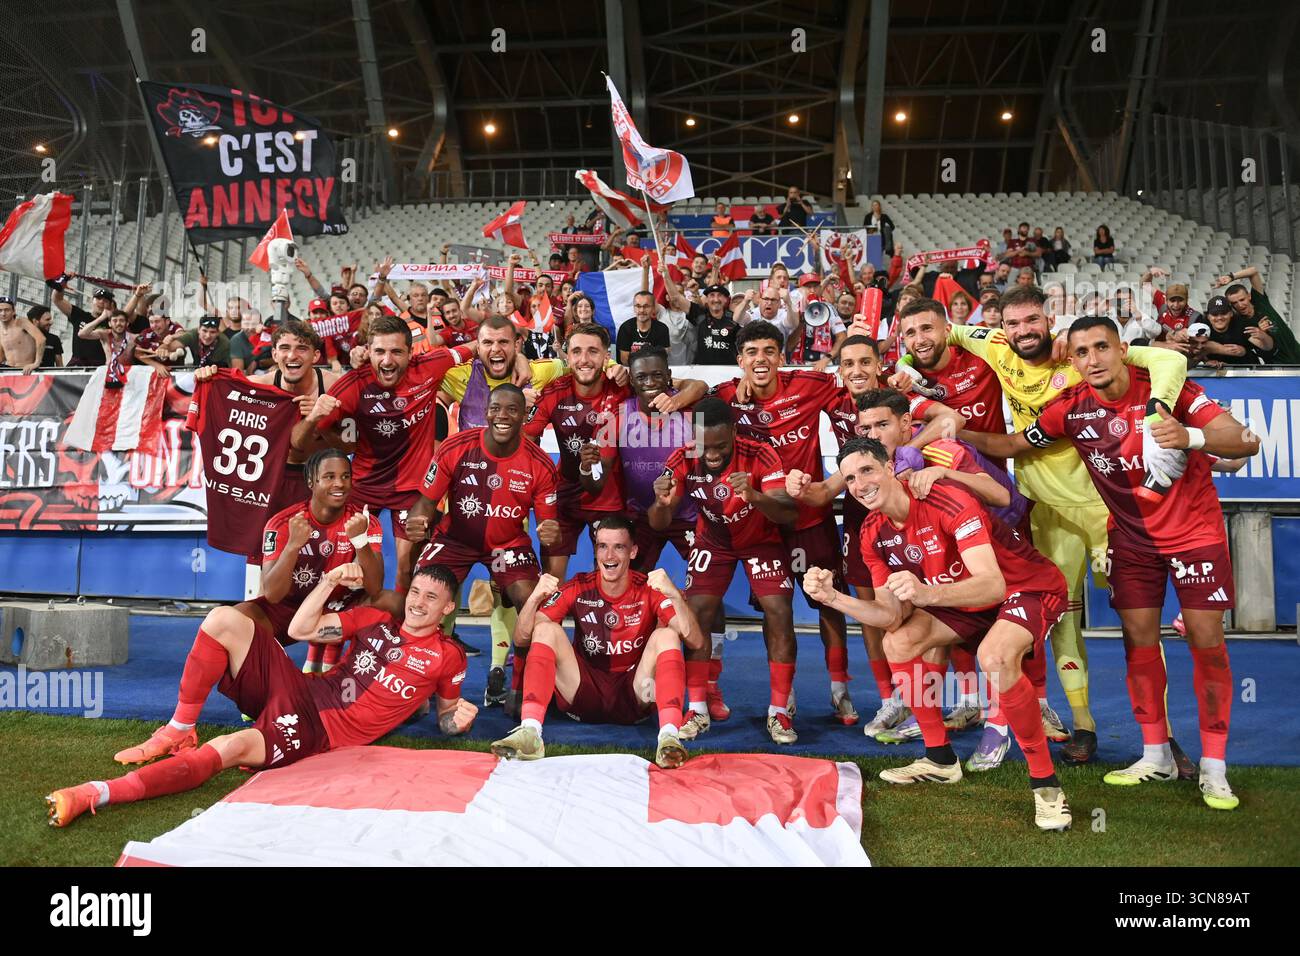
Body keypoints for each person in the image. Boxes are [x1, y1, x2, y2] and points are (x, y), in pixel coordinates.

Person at [973, 315, 1261, 809]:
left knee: (1207, 641)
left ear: (1122, 349)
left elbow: (1245, 441)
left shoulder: (1170, 393)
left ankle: (1215, 767)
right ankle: (1156, 755)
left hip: (1195, 536)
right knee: (1139, 643)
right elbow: (1013, 445)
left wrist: (1187, 437)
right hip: (1129, 540)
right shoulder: (1071, 410)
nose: (1092, 360)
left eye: (1101, 348)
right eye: (1081, 352)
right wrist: (956, 430)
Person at [950, 285, 1192, 768]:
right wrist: (910, 373)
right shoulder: (996, 345)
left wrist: (1157, 406)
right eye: (1013, 323)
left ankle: (1161, 740)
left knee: (1138, 624)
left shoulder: (1082, 352)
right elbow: (939, 333)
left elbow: (1170, 362)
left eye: (1032, 321)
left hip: (1111, 512)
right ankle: (1084, 726)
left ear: (1049, 319)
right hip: (1047, 511)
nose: (1023, 331)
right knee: (1061, 624)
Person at [46, 562, 476, 828]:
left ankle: (96, 792)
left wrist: (456, 721)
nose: (419, 602)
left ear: (447, 609)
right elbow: (300, 630)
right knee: (222, 619)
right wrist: (327, 582)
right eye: (416, 592)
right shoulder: (374, 619)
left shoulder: (448, 657)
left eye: (431, 597)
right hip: (299, 689)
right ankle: (180, 728)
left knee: (232, 746)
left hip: (316, 730)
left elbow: (445, 715)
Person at [803, 436, 1072, 832]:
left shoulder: (946, 500)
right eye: (850, 479)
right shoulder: (871, 533)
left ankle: (1046, 785)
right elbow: (888, 616)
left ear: (890, 468)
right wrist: (834, 598)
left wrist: (927, 593)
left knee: (994, 658)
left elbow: (993, 585)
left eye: (868, 470)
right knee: (899, 640)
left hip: (1025, 588)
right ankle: (940, 759)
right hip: (964, 598)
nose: (860, 484)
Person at [491, 518, 702, 769]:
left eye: (619, 547)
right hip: (582, 693)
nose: (609, 555)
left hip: (633, 695)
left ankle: (668, 737)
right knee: (546, 629)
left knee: (666, 636)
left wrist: (674, 595)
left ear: (633, 551)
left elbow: (695, 640)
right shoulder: (579, 586)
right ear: (595, 551)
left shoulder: (648, 588)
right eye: (602, 546)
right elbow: (521, 638)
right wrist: (536, 596)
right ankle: (530, 733)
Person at [650, 397, 803, 744]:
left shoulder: (760, 453)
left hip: (761, 540)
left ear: (734, 431)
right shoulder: (683, 457)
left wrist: (754, 496)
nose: (712, 454)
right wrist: (660, 502)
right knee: (697, 613)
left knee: (779, 610)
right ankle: (698, 709)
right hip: (713, 541)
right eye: (706, 446)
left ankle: (779, 711)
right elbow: (659, 522)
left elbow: (787, 512)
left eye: (720, 446)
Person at [292, 315, 477, 590]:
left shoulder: (431, 365)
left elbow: (477, 345)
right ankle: (351, 623)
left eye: (396, 351)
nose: (387, 361)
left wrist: (519, 357)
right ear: (368, 352)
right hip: (366, 484)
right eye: (379, 351)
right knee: (348, 562)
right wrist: (316, 421)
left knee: (407, 567)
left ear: (411, 352)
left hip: (413, 488)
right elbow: (299, 441)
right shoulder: (354, 383)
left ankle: (404, 632)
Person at [405, 384, 561, 710]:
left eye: (512, 410)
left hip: (507, 544)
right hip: (455, 539)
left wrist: (549, 531)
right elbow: (425, 504)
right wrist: (419, 520)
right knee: (427, 588)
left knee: (528, 598)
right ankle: (418, 679)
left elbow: (548, 527)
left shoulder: (540, 464)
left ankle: (516, 685)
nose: (502, 416)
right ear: (486, 411)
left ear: (525, 415)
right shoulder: (455, 447)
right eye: (496, 408)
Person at [1216, 265, 1300, 363]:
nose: (1239, 305)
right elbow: (1263, 347)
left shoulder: (1260, 301)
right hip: (1278, 364)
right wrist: (1261, 332)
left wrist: (1231, 277)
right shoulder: (1241, 324)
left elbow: (1253, 271)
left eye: (1242, 299)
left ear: (1249, 296)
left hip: (1296, 350)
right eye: (1234, 303)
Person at [1200, 295, 1273, 366]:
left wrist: (1263, 336)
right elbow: (1194, 351)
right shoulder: (1202, 327)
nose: (1219, 318)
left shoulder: (1241, 324)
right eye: (1215, 314)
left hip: (1245, 370)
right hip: (1214, 372)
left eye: (1224, 313)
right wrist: (1207, 361)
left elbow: (1267, 347)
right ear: (1208, 316)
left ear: (1231, 313)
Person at [51, 285, 113, 367]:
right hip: (77, 365)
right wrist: (61, 283)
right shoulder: (80, 315)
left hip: (100, 367)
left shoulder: (113, 322)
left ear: (110, 305)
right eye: (98, 298)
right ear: (92, 300)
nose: (101, 302)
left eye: (106, 300)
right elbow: (57, 299)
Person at [615, 291, 671, 365]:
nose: (641, 310)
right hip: (630, 371)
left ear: (653, 308)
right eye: (638, 306)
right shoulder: (625, 328)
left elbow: (662, 358)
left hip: (654, 369)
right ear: (634, 308)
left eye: (646, 306)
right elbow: (624, 360)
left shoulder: (662, 329)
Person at [691, 284, 741, 364]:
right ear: (706, 299)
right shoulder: (700, 317)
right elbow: (676, 298)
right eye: (712, 295)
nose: (716, 299)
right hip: (702, 371)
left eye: (720, 295)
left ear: (726, 299)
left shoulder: (733, 318)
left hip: (729, 370)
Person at [162, 315, 231, 368]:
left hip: (219, 374)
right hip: (197, 372)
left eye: (212, 332)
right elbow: (168, 347)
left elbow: (233, 370)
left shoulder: (225, 343)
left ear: (218, 333)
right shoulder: (192, 335)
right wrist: (161, 350)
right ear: (198, 330)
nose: (208, 336)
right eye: (204, 331)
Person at [0, 297, 45, 373]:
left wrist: (36, 363)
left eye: (7, 310)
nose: (3, 313)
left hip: (25, 371)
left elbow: (41, 339)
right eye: (0, 310)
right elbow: (2, 357)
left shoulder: (21, 322)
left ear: (14, 311)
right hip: (8, 371)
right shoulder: (0, 331)